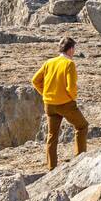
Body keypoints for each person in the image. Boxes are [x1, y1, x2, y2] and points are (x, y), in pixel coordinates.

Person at [31, 36, 89, 170]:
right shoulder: (69, 64)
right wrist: (72, 97)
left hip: (49, 105)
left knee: (52, 135)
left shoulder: (49, 62)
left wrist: (45, 93)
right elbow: (71, 87)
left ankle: (51, 167)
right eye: (74, 49)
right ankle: (79, 160)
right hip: (65, 104)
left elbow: (35, 80)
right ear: (70, 49)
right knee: (82, 126)